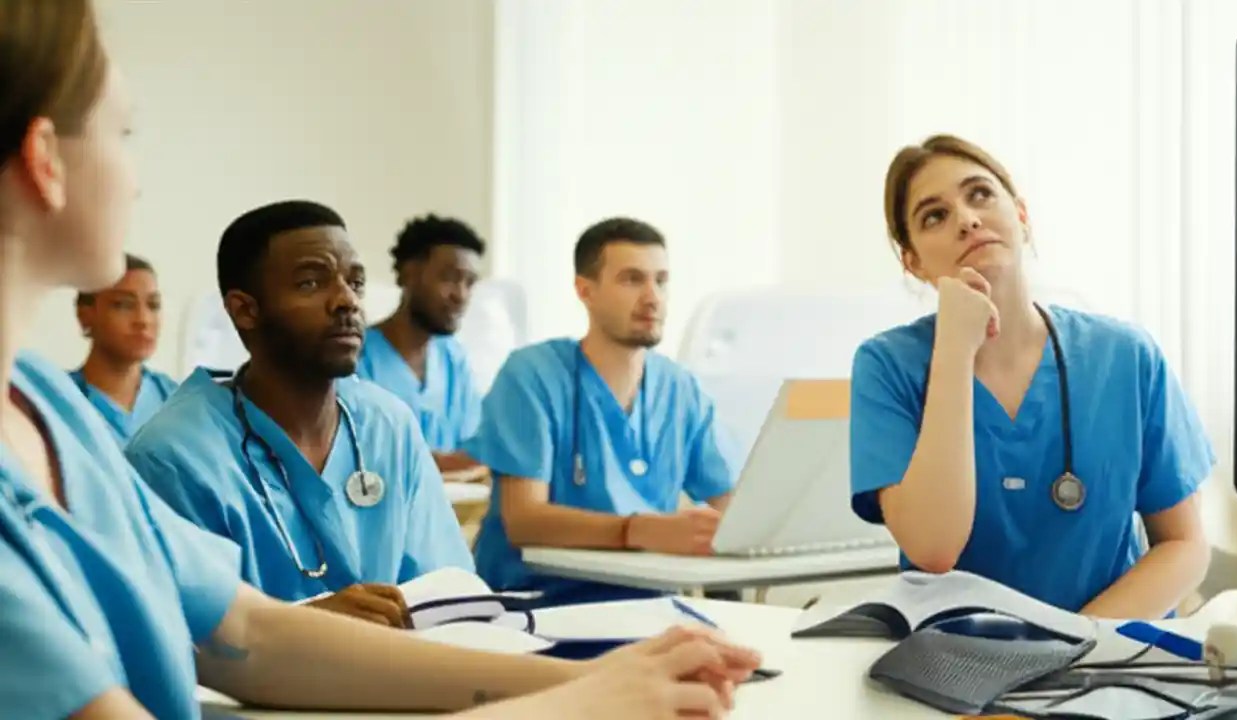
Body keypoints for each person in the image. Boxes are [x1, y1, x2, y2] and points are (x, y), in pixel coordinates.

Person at [0, 2, 758, 717]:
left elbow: (250, 633)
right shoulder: (163, 447)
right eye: (124, 133)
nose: (136, 178)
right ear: (45, 160)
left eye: (353, 282)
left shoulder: (48, 409)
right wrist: (569, 705)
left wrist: (591, 677)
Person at [849, 134, 1214, 619]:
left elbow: (1184, 545)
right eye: (934, 216)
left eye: (980, 194)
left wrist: (1078, 642)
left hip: (1108, 652)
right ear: (912, 261)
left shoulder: (1125, 356)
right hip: (960, 657)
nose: (967, 219)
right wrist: (955, 349)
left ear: (1021, 215)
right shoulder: (887, 366)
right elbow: (933, 548)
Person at [124, 200, 475, 620]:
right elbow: (174, 632)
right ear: (245, 310)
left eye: (355, 283)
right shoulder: (176, 457)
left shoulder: (388, 426)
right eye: (311, 283)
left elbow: (451, 594)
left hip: (410, 658)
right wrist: (309, 625)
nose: (347, 301)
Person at [463, 217, 741, 608]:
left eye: (661, 281)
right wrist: (639, 530)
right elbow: (524, 520)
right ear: (585, 290)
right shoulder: (533, 376)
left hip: (647, 604)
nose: (653, 298)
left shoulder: (680, 390)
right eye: (632, 280)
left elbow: (732, 508)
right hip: (535, 604)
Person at [357, 214, 486, 477]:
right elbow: (362, 457)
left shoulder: (454, 360)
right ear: (408, 274)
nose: (461, 295)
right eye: (449, 277)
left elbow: (475, 451)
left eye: (470, 283)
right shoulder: (358, 360)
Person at [69, 253, 178, 446]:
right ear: (85, 315)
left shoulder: (179, 403)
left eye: (153, 305)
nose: (143, 320)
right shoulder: (57, 399)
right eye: (124, 305)